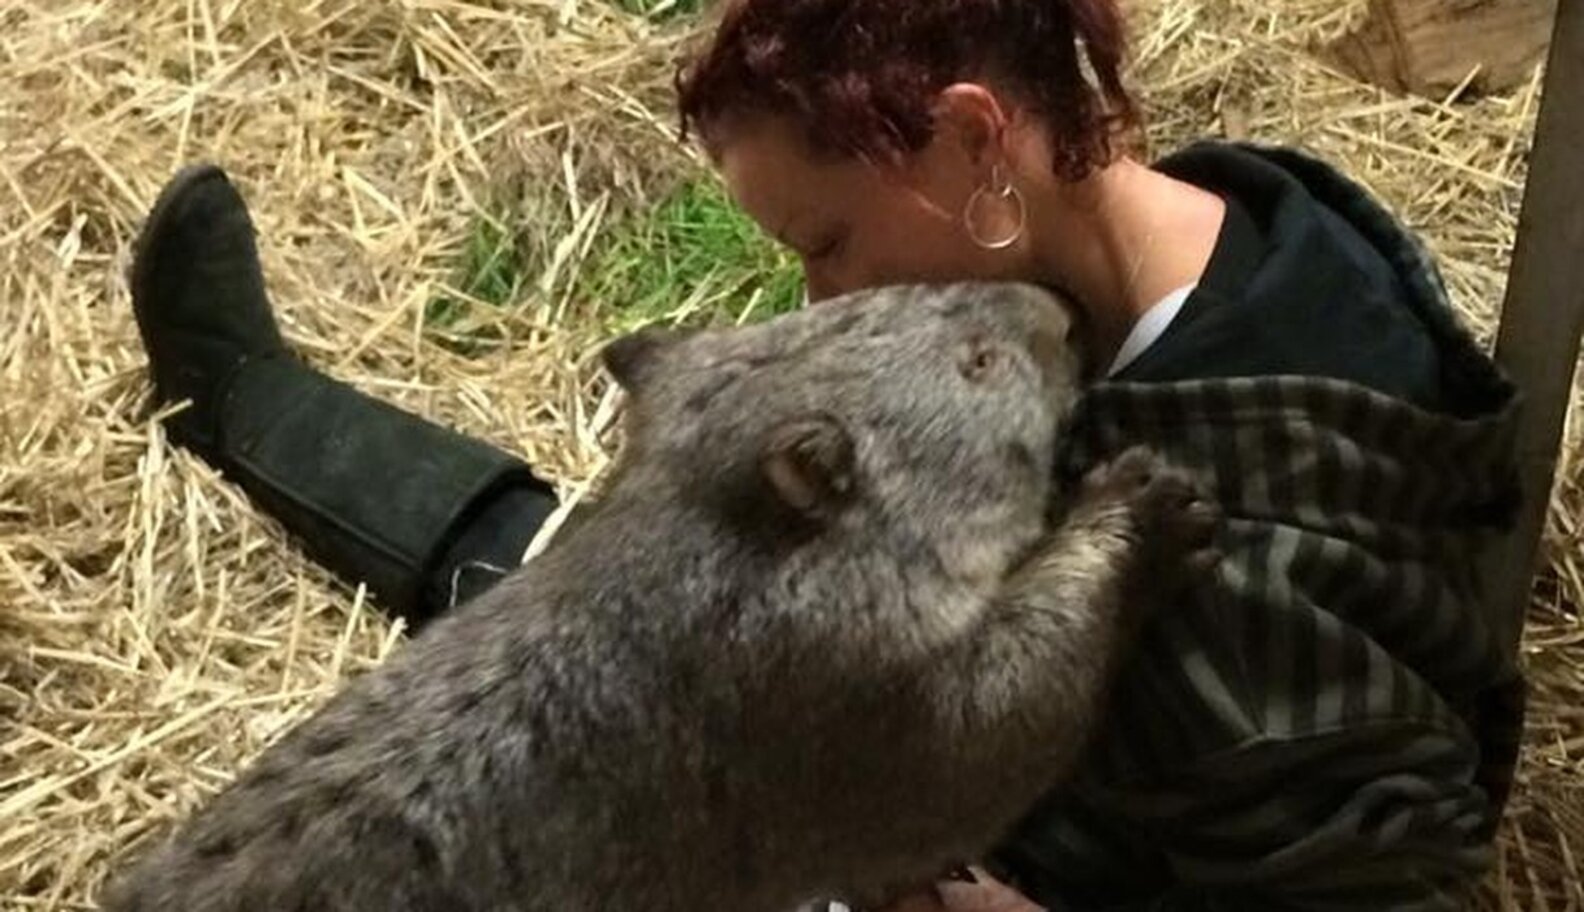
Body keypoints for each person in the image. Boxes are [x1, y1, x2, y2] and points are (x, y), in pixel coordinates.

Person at [128, 0, 1526, 908]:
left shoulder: (1268, 584)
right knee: (594, 592)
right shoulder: (1213, 219)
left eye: (830, 245)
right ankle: (248, 401)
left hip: (985, 840)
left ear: (981, 142)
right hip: (894, 745)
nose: (818, 302)